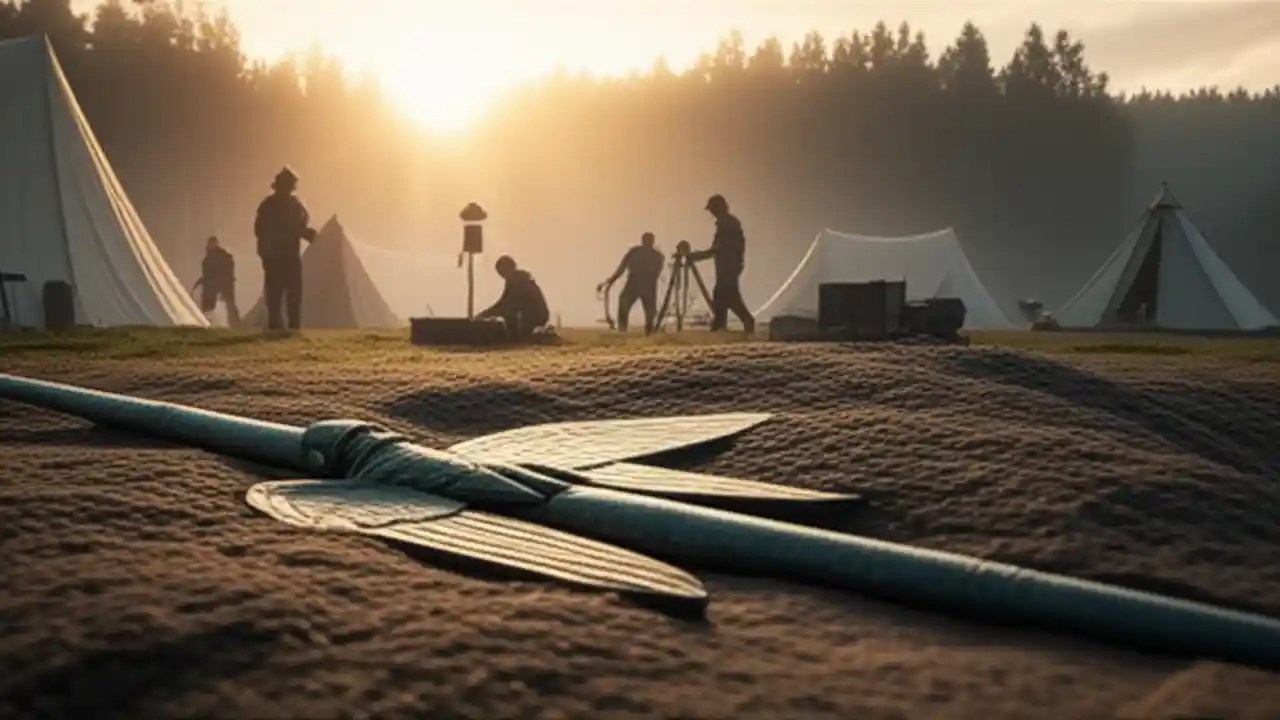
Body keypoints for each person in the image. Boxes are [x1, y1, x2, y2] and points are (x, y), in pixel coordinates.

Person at [253, 166, 316, 330]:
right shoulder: (275, 206)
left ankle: (285, 327)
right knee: (282, 294)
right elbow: (266, 229)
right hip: (280, 256)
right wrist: (304, 233)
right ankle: (283, 327)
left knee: (285, 294)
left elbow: (260, 230)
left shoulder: (274, 205)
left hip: (280, 256)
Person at [686, 194, 755, 333]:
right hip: (728, 267)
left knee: (727, 297)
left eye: (712, 209)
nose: (711, 212)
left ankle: (739, 324)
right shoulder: (727, 223)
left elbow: (719, 248)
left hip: (728, 267)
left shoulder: (728, 224)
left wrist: (697, 256)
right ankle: (719, 329)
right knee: (723, 299)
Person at [598, 232, 665, 334]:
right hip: (638, 284)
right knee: (627, 305)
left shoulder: (652, 255)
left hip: (643, 284)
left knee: (649, 312)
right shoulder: (639, 253)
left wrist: (611, 280)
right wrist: (610, 281)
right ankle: (624, 330)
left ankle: (647, 332)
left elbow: (657, 272)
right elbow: (622, 268)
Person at [477, 255, 550, 339]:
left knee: (509, 315)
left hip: (534, 317)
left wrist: (486, 314)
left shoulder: (519, 282)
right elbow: (504, 303)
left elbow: (506, 305)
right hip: (533, 316)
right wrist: (486, 313)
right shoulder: (516, 280)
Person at [191, 235, 239, 326]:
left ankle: (234, 323)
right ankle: (207, 322)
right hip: (214, 285)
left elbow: (228, 268)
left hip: (222, 283)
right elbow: (206, 274)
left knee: (229, 304)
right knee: (210, 305)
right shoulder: (208, 259)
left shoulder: (223, 257)